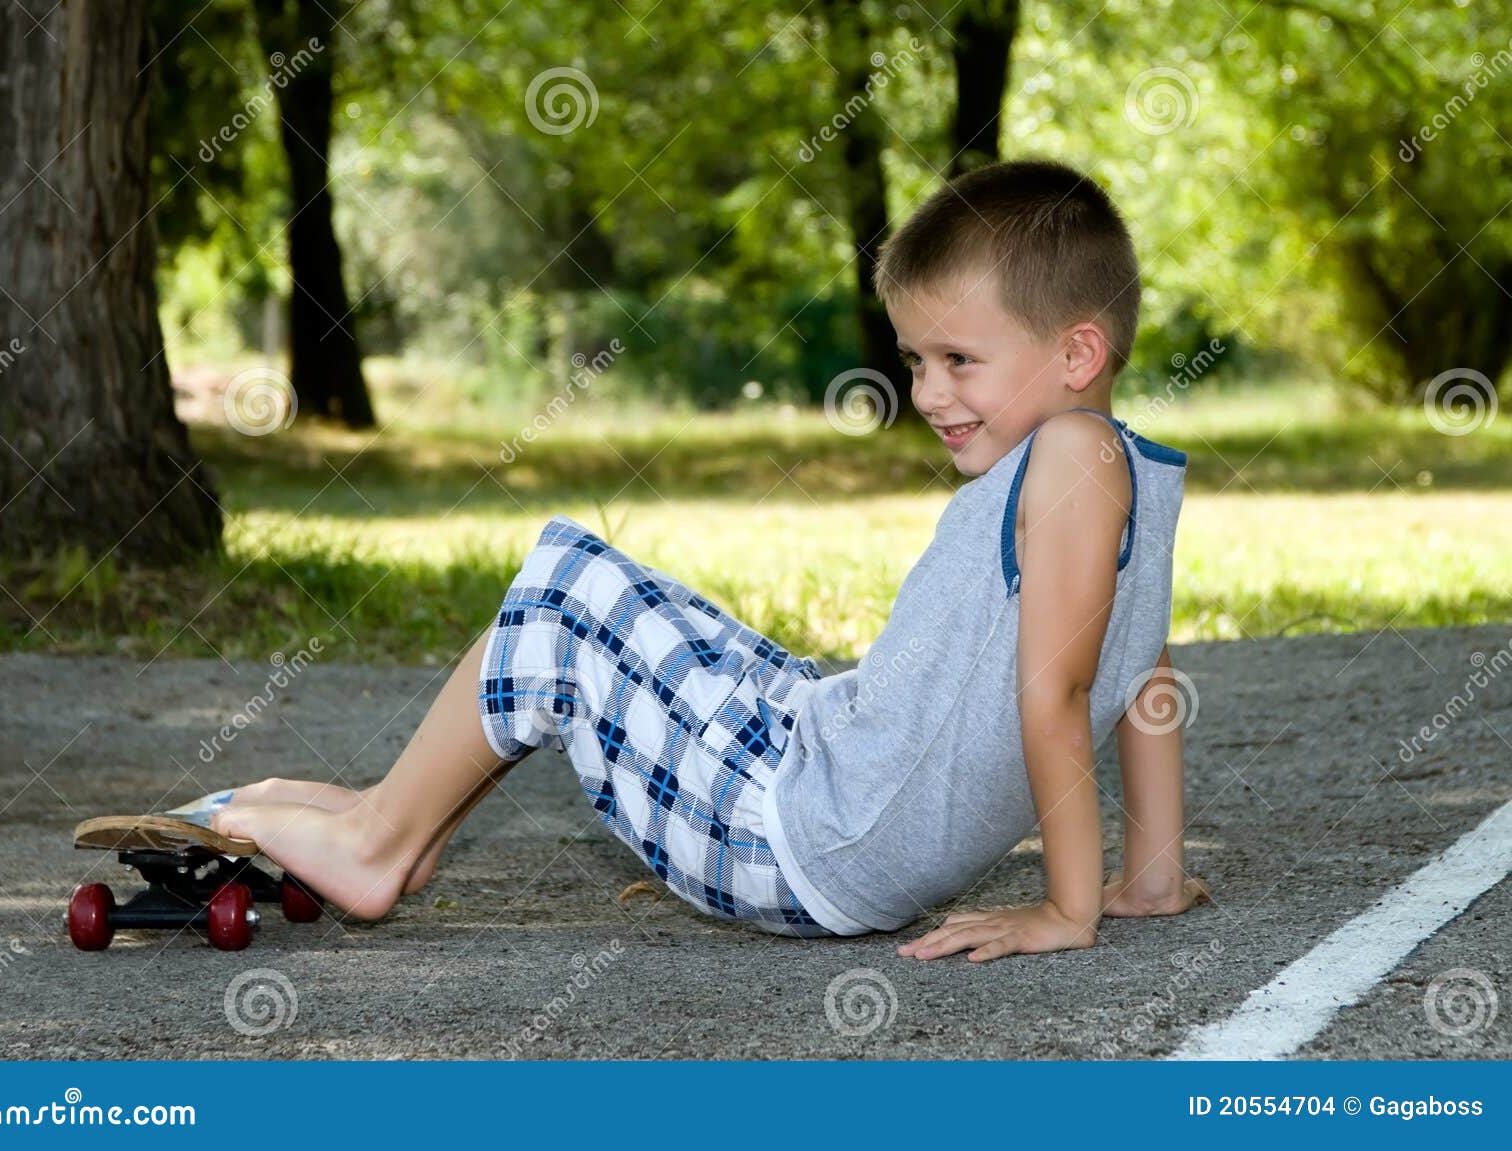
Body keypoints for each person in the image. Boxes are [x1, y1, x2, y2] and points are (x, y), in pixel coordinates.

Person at [213, 158, 1212, 962]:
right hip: (820, 763)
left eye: (958, 359)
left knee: (565, 586)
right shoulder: (1135, 474)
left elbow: (1062, 688)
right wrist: (1151, 871)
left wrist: (1067, 906)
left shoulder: (1071, 456)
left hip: (806, 838)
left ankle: (377, 843)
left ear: (1078, 356)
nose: (927, 390)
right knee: (674, 628)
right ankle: (405, 819)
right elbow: (1142, 676)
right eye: (913, 360)